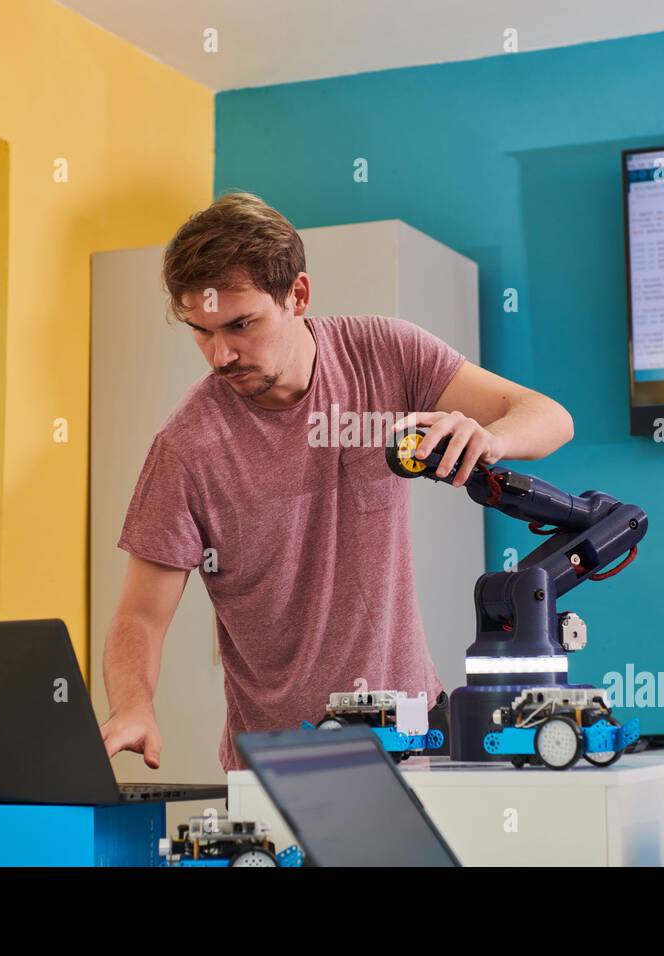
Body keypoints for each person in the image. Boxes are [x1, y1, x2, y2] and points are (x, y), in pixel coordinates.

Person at [100, 192, 573, 771]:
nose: (220, 355)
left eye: (240, 325)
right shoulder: (186, 448)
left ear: (297, 295)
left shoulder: (384, 353)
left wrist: (490, 438)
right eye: (201, 332)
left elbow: (550, 417)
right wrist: (132, 707)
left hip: (415, 736)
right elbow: (139, 617)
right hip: (280, 763)